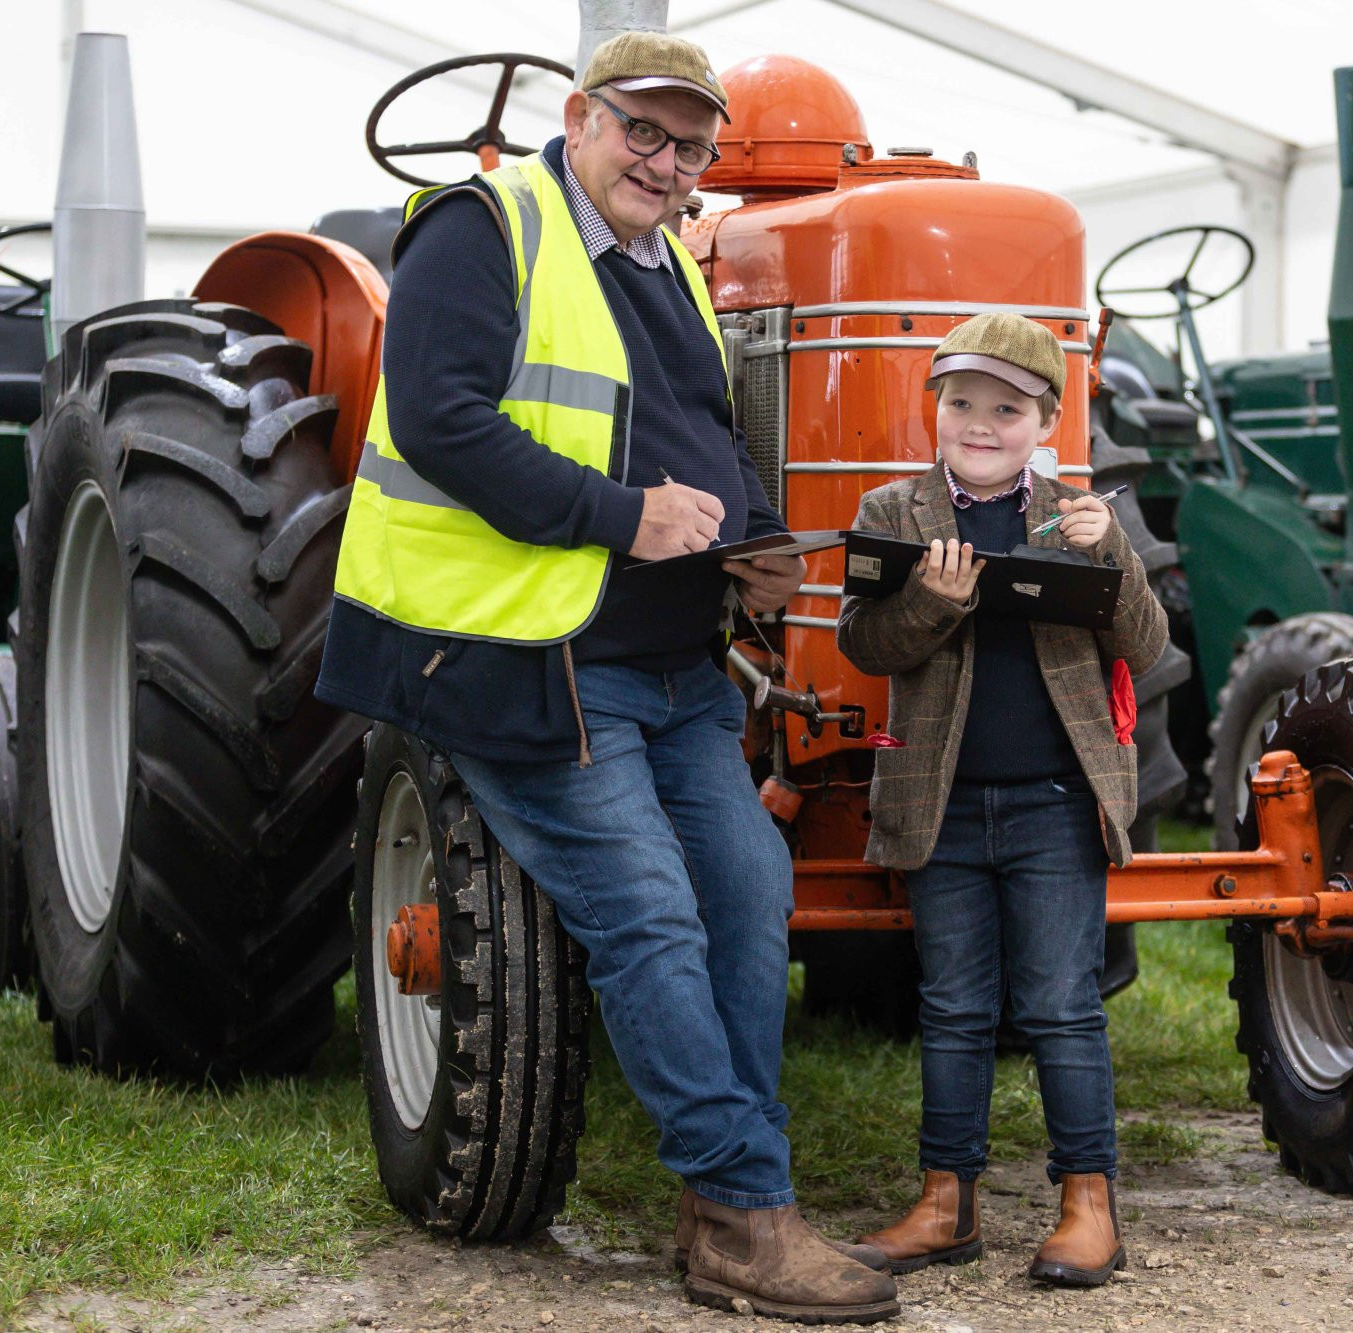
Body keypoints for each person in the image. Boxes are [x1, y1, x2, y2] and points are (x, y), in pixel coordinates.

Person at [318, 31, 897, 1326]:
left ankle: (725, 1200)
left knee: (749, 891)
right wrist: (624, 518)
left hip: (674, 667)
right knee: (647, 918)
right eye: (644, 130)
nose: (666, 162)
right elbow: (442, 420)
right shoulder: (480, 227)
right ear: (580, 117)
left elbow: (705, 434)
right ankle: (744, 1209)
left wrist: (753, 543)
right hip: (531, 658)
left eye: (691, 147)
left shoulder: (669, 263)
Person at [837, 312, 1168, 1288]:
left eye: (1007, 410)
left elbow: (1146, 647)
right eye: (962, 403)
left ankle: (1087, 1204)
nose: (981, 425)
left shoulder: (1079, 516)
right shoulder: (893, 510)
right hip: (939, 805)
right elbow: (864, 646)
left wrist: (1113, 555)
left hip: (1055, 803)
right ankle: (947, 1203)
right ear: (934, 409)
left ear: (1046, 422)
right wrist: (930, 604)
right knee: (952, 1007)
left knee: (1062, 1005)